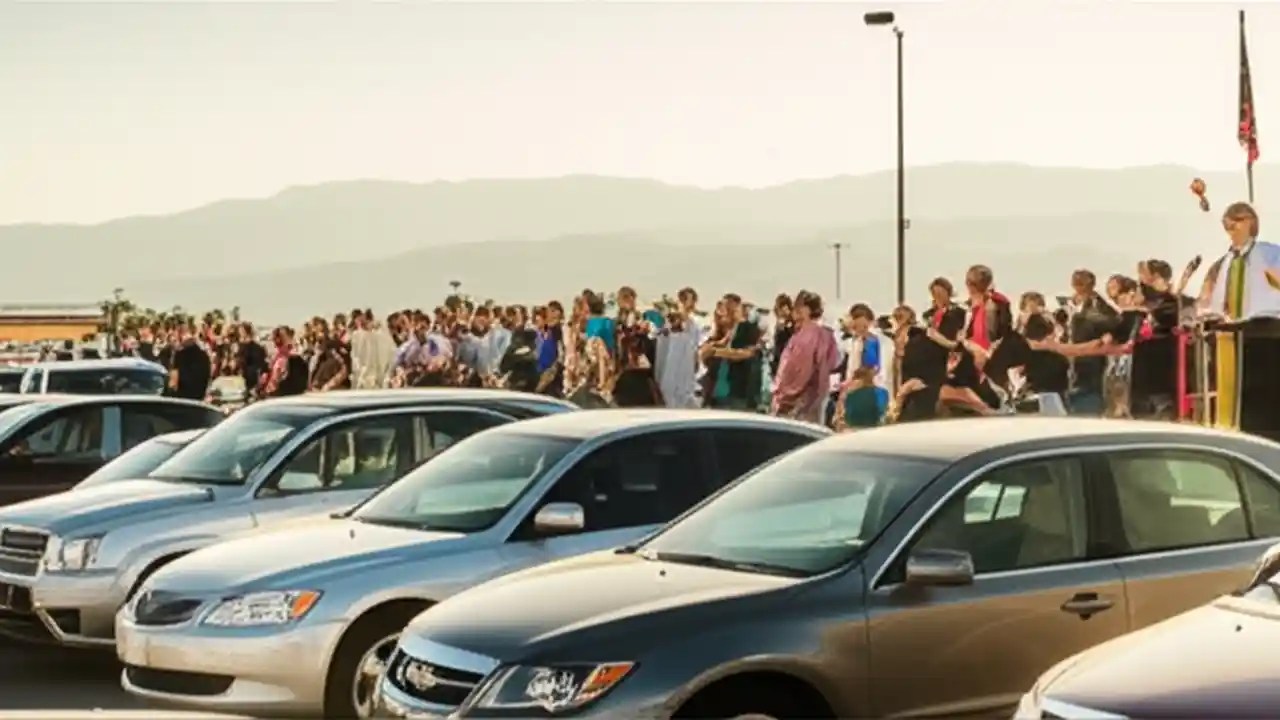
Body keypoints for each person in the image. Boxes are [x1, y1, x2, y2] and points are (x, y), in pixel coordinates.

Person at [1198, 201, 1280, 436]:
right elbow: (1219, 297)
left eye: (1235, 224)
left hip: (1267, 333)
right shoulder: (1227, 261)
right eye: (1227, 226)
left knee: (1266, 401)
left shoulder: (1270, 253)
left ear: (1250, 223)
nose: (1230, 231)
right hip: (1235, 334)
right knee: (1243, 401)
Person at [772, 291, 840, 423]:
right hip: (818, 394)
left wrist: (785, 395)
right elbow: (834, 362)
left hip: (799, 399)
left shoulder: (808, 335)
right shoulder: (826, 334)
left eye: (799, 307)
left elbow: (799, 369)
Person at [169, 326, 211, 401]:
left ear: (180, 336)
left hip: (182, 402)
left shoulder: (179, 355)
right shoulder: (204, 356)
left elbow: (173, 383)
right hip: (199, 401)